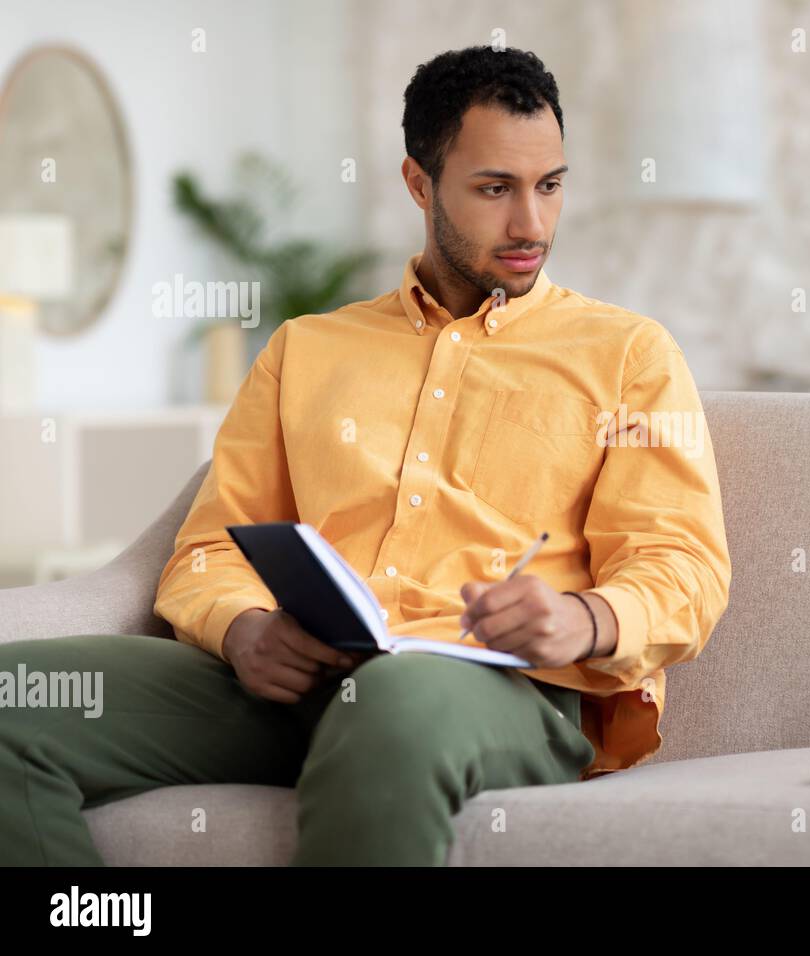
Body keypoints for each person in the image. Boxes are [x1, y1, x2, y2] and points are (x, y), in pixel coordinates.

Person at [0, 45, 730, 866]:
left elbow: (683, 566)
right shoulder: (307, 349)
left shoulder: (630, 354)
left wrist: (582, 618)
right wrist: (243, 628)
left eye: (550, 185)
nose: (532, 224)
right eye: (495, 189)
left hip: (498, 693)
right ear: (420, 185)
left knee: (391, 703)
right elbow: (208, 549)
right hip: (298, 685)